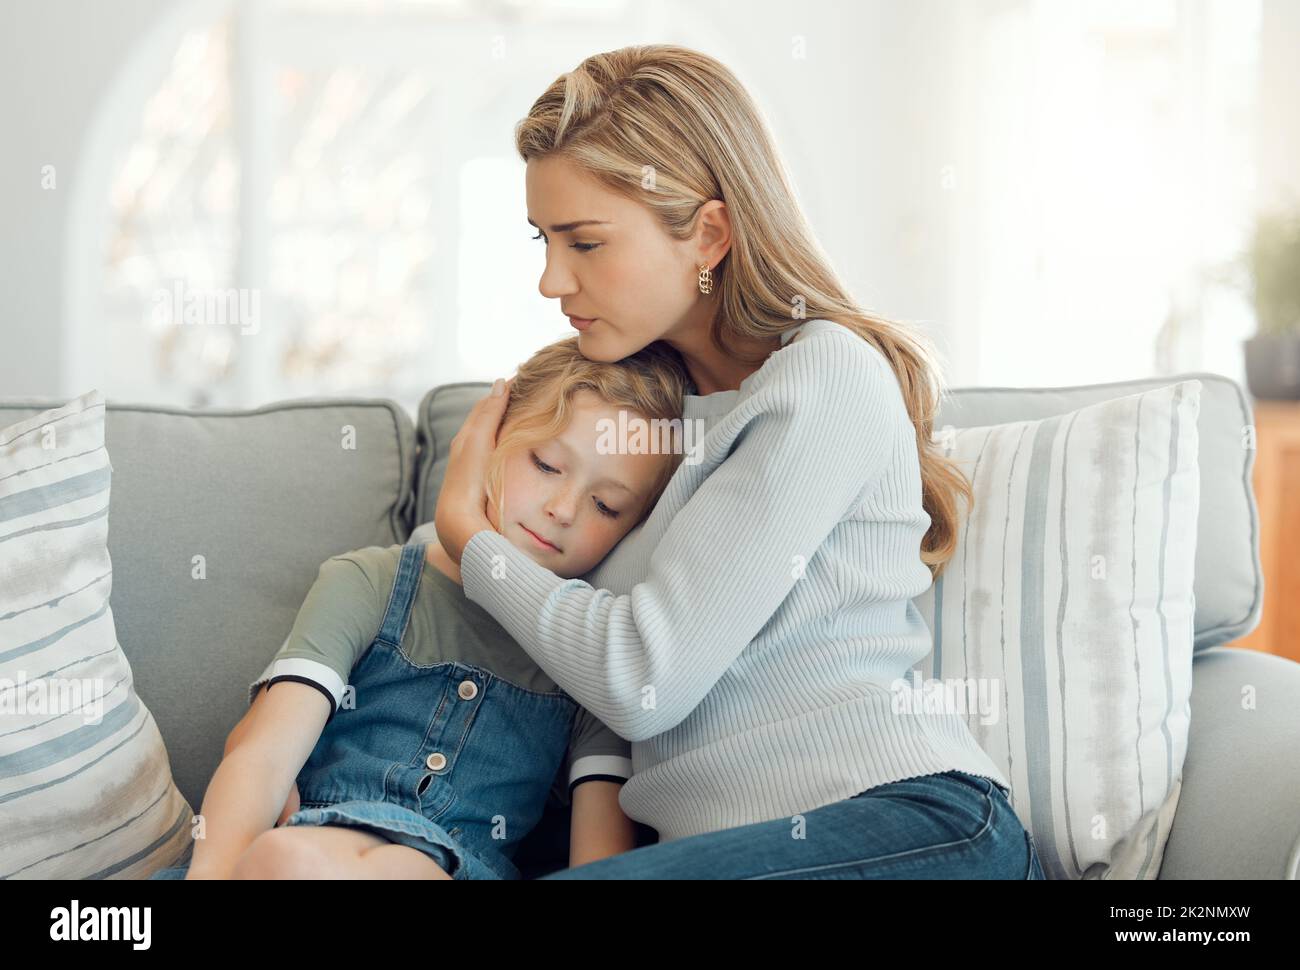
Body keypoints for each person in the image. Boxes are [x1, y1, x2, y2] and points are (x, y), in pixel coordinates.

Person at [432, 44, 1046, 879]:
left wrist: (472, 539)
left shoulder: (825, 374)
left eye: (584, 242)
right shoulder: (645, 426)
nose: (549, 280)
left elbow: (642, 677)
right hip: (718, 852)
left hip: (906, 823)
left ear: (709, 234)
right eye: (544, 240)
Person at [150, 336, 690, 879]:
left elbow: (600, 859)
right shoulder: (368, 583)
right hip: (304, 847)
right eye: (547, 464)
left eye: (606, 505)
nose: (563, 509)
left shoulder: (594, 653)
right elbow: (263, 756)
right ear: (484, 439)